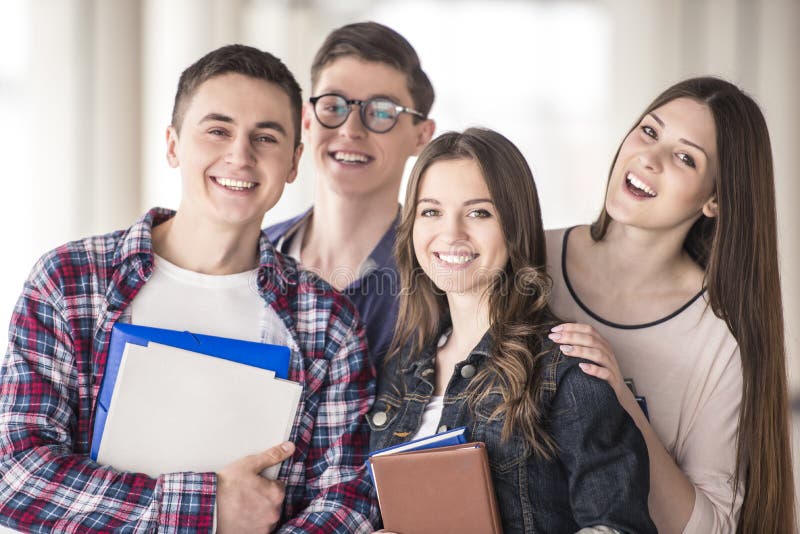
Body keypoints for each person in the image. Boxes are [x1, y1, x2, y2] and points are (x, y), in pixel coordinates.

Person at [0, 44, 376, 533]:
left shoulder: (326, 321)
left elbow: (348, 500)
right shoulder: (70, 281)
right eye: (217, 130)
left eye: (265, 137)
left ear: (293, 162)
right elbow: (16, 471)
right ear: (174, 144)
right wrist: (208, 509)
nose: (239, 156)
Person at [369, 128, 657, 533]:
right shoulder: (399, 367)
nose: (451, 234)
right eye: (430, 211)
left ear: (514, 225)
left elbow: (619, 527)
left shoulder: (563, 367)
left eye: (479, 213)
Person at [544, 77, 795, 533]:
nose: (649, 158)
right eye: (649, 131)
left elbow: (712, 526)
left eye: (684, 157)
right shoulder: (528, 260)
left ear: (715, 200)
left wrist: (620, 399)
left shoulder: (716, 341)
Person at [266, 21, 436, 371]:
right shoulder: (251, 254)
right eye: (333, 106)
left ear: (421, 135)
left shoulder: (440, 282)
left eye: (381, 112)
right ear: (308, 120)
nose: (350, 130)